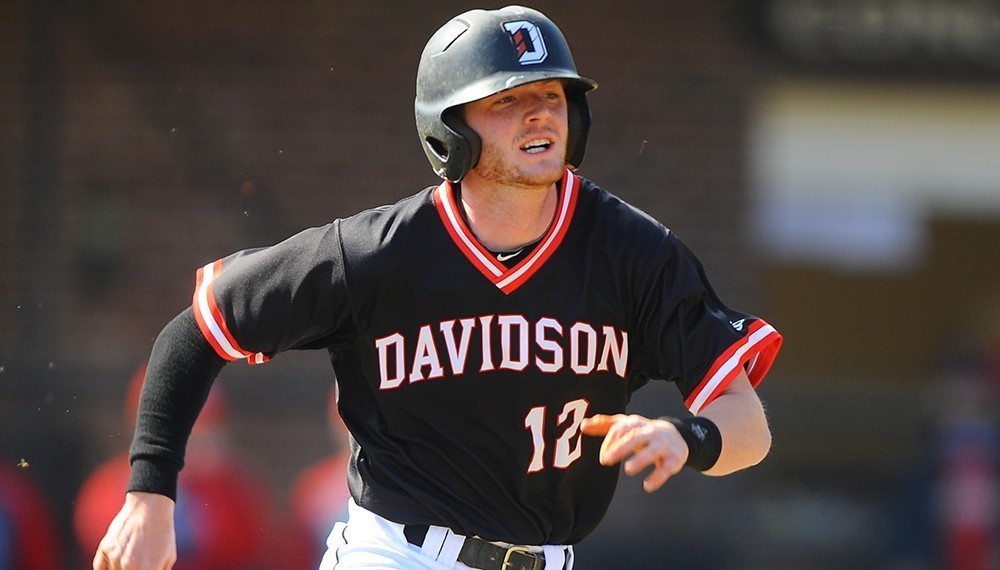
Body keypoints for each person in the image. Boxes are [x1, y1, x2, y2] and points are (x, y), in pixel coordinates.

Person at [94, 6, 782, 570]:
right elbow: (197, 330)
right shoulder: (376, 254)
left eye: (553, 95)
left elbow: (747, 424)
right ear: (448, 129)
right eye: (508, 100)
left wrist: (684, 437)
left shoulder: (633, 253)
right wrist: (150, 495)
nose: (539, 114)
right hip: (397, 554)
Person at [77, 365, 275, 570]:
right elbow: (104, 546)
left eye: (208, 427)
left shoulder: (235, 488)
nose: (202, 438)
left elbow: (246, 550)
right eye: (191, 430)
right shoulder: (108, 487)